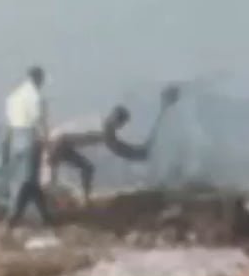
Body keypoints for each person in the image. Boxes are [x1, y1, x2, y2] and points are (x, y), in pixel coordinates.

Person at [44, 86, 182, 203]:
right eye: (121, 124)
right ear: (117, 120)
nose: (120, 127)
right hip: (55, 145)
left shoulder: (102, 126)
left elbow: (128, 151)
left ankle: (84, 199)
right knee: (71, 175)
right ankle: (78, 199)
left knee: (87, 168)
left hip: (59, 145)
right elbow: (129, 152)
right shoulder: (103, 129)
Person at [0, 65, 53, 230]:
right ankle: (12, 218)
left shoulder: (13, 97)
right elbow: (40, 123)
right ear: (39, 78)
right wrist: (47, 145)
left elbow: (8, 125)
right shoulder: (36, 97)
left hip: (16, 137)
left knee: (26, 180)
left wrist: (5, 147)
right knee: (28, 181)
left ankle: (45, 217)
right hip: (30, 137)